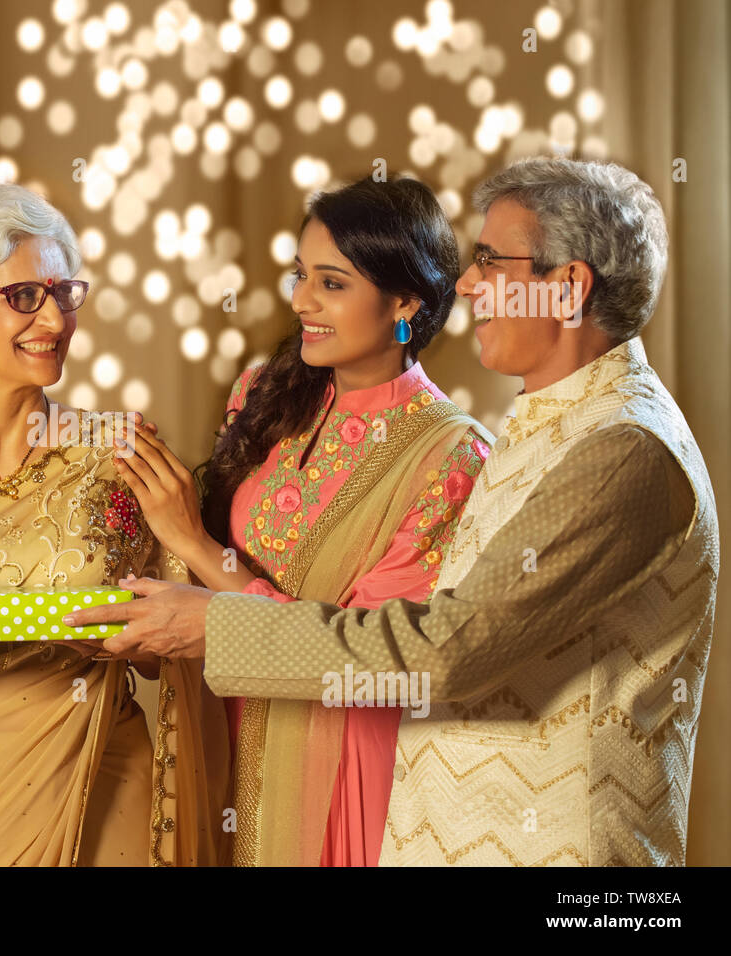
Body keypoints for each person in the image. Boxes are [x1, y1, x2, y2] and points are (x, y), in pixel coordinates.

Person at [66, 156, 718, 866]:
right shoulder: (553, 421)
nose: (467, 285)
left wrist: (211, 622)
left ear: (567, 289)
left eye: (493, 261)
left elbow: (445, 650)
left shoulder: (620, 447)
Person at [104, 177, 490, 866]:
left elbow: (371, 658)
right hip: (218, 728)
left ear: (406, 302)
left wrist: (189, 537)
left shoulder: (451, 456)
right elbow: (202, 566)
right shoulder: (264, 394)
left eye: (332, 283)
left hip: (338, 769)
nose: (300, 300)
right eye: (300, 275)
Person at [0, 183, 227, 866]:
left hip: (100, 789)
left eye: (64, 292)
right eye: (24, 296)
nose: (54, 318)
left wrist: (138, 625)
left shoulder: (121, 451)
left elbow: (172, 644)